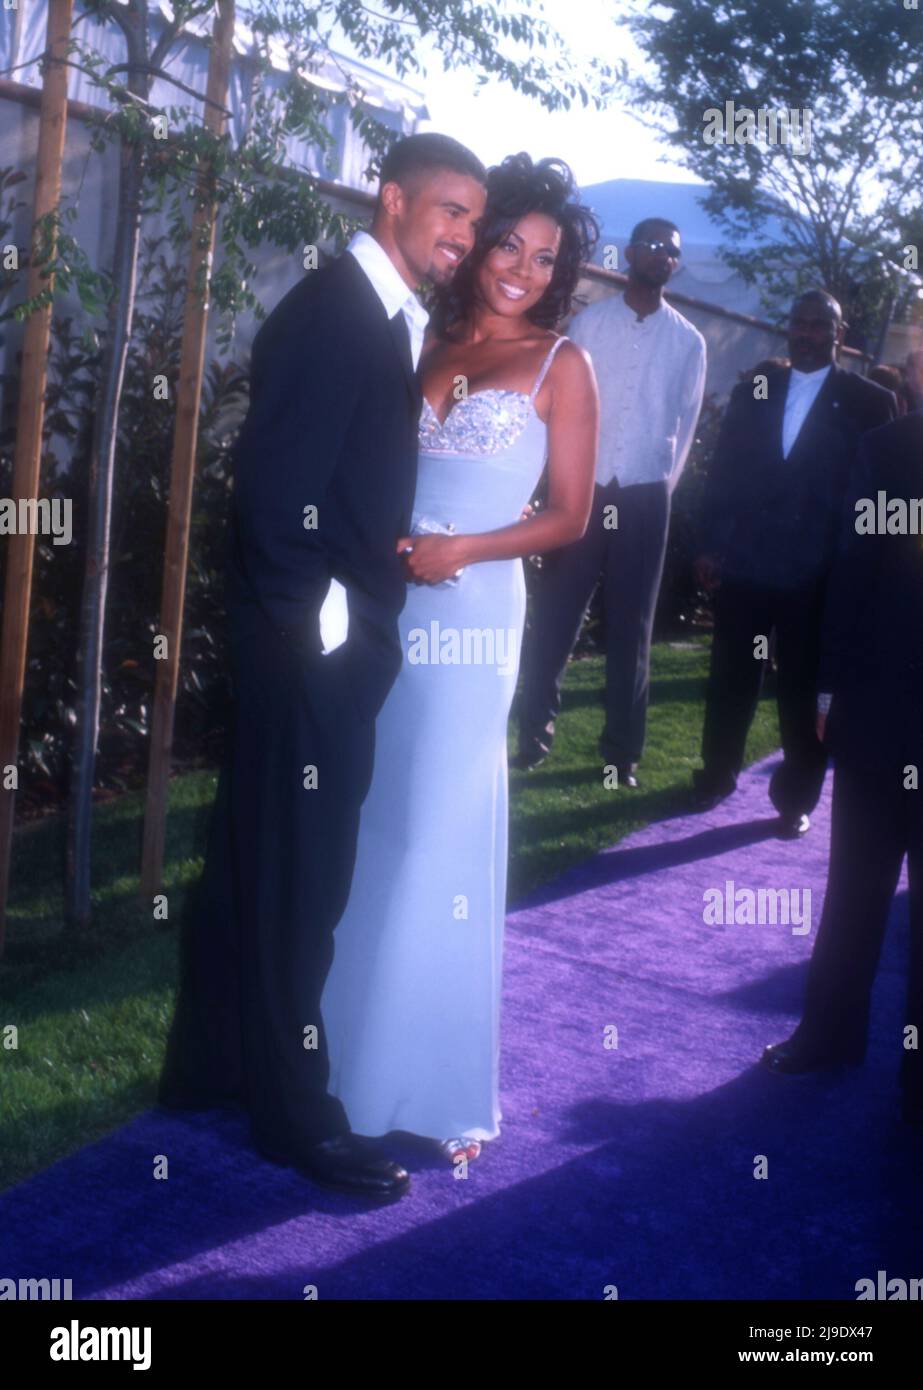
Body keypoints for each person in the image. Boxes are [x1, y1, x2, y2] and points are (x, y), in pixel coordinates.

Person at [157, 133, 487, 1201]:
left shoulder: (370, 313)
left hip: (307, 647)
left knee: (255, 861)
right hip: (312, 659)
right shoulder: (337, 315)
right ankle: (301, 1119)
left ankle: (211, 1068)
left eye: (473, 221)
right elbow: (273, 507)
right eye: (448, 210)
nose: (462, 237)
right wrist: (330, 645)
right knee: (304, 882)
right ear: (389, 199)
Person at [319, 154, 599, 1159]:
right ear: (476, 245)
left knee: (438, 835)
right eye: (506, 245)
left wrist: (461, 550)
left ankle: (430, 1090)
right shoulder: (425, 339)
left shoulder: (560, 361)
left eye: (542, 256)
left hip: (475, 610)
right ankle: (339, 1068)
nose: (521, 267)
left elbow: (568, 516)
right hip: (389, 608)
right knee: (374, 826)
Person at [761, 410, 923, 1127]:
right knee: (856, 878)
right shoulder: (887, 448)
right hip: (881, 700)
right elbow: (852, 567)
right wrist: (827, 686)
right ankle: (828, 1034)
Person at [692, 290, 897, 836]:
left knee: (802, 690)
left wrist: (864, 570)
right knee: (732, 674)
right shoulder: (758, 387)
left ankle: (796, 798)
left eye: (818, 326)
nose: (806, 334)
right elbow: (726, 469)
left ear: (839, 331)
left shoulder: (869, 402)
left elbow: (875, 497)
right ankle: (716, 773)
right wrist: (710, 544)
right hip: (750, 563)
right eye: (798, 324)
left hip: (819, 576)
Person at [513, 217, 706, 784]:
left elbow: (686, 426)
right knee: (555, 617)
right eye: (648, 245)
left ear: (675, 263)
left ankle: (621, 754)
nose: (656, 256)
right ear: (630, 255)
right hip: (583, 491)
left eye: (668, 251)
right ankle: (533, 736)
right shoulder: (589, 325)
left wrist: (657, 489)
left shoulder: (689, 342)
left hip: (645, 496)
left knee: (632, 628)